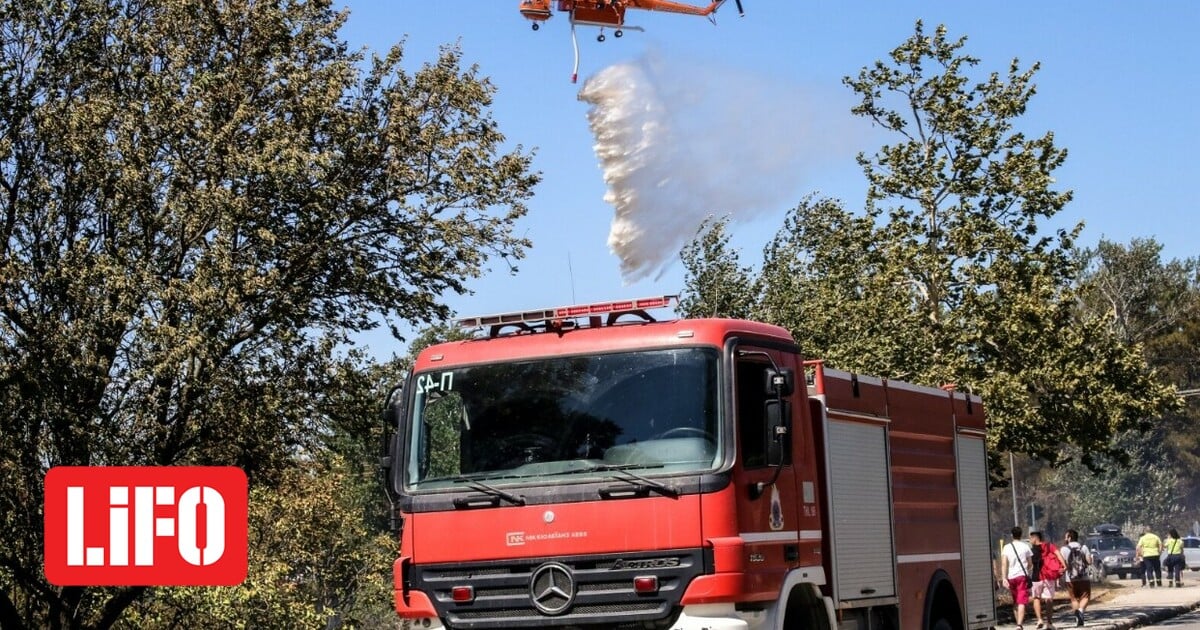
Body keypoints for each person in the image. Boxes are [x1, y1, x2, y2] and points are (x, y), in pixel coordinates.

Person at [1000, 526, 1035, 630]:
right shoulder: (1025, 546)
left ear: (1012, 535)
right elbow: (1030, 563)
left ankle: (1018, 624)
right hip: (1022, 576)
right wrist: (1027, 569)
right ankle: (1019, 625)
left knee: (1015, 601)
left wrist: (1004, 578)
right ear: (1021, 535)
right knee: (1021, 601)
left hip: (1011, 577)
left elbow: (1004, 564)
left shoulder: (1006, 547)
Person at [1029, 530, 1067, 630]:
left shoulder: (1032, 550)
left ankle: (1039, 620)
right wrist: (1064, 565)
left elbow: (1029, 564)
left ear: (1035, 538)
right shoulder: (1049, 546)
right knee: (1049, 599)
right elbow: (1058, 554)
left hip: (1036, 577)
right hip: (1048, 576)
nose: (1030, 540)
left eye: (1030, 538)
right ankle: (1049, 623)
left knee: (1036, 598)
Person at [1062, 529, 1093, 627]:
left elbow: (1062, 564)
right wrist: (1091, 558)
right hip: (1084, 577)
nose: (1065, 538)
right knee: (1086, 597)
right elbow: (1089, 562)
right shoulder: (1084, 547)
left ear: (1069, 538)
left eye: (1066, 537)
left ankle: (1077, 617)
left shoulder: (1064, 549)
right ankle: (1080, 611)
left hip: (1070, 578)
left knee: (1074, 598)